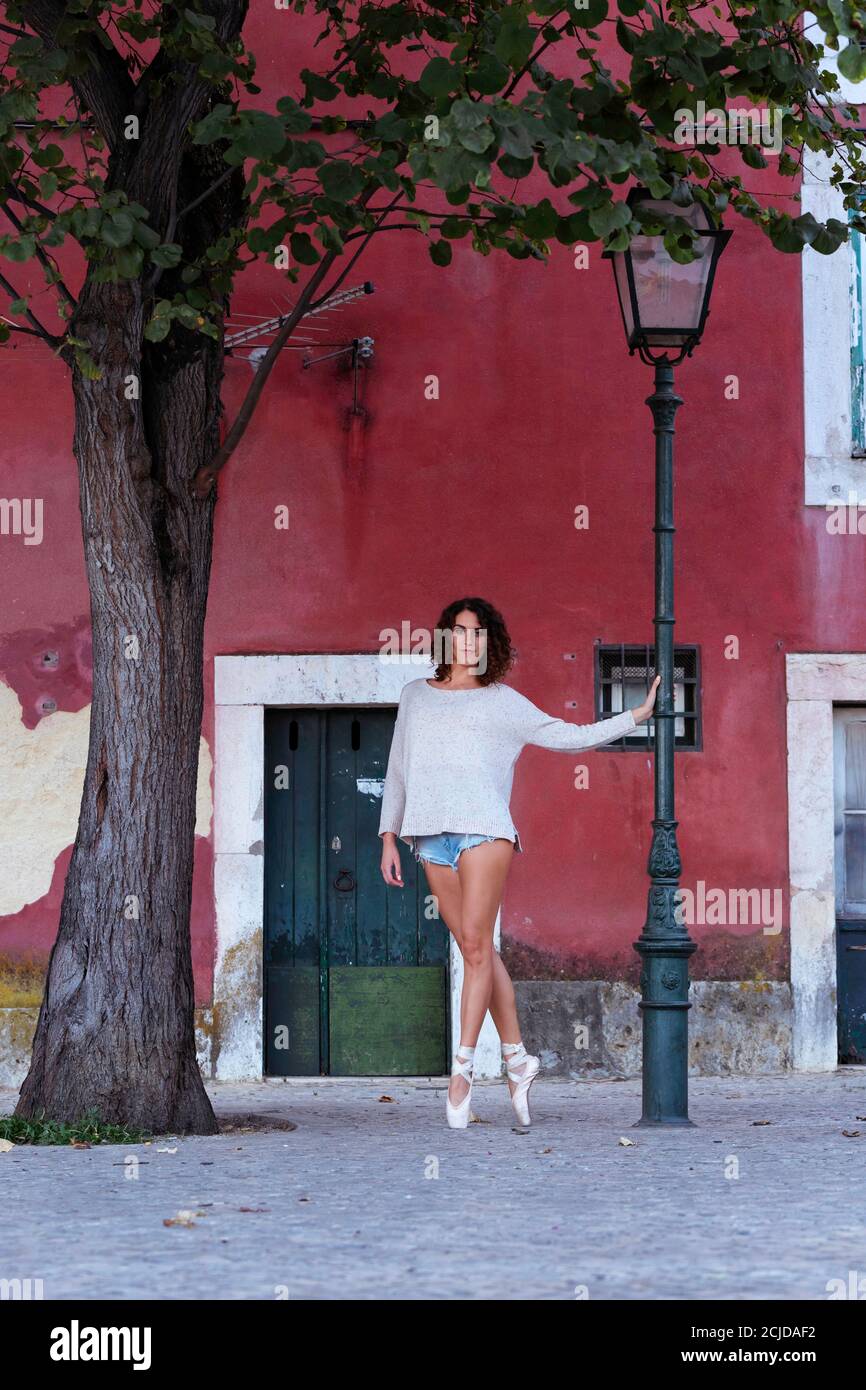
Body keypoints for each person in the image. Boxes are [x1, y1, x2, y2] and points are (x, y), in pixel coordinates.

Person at [378, 596, 660, 1129]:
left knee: (477, 948)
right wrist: (388, 835)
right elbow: (398, 768)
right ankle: (518, 1059)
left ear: (490, 643)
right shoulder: (414, 696)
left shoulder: (502, 702)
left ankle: (461, 1072)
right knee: (474, 947)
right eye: (460, 631)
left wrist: (634, 716)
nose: (469, 640)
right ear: (444, 638)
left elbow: (566, 736)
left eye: (479, 633)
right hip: (428, 838)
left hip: (486, 832)